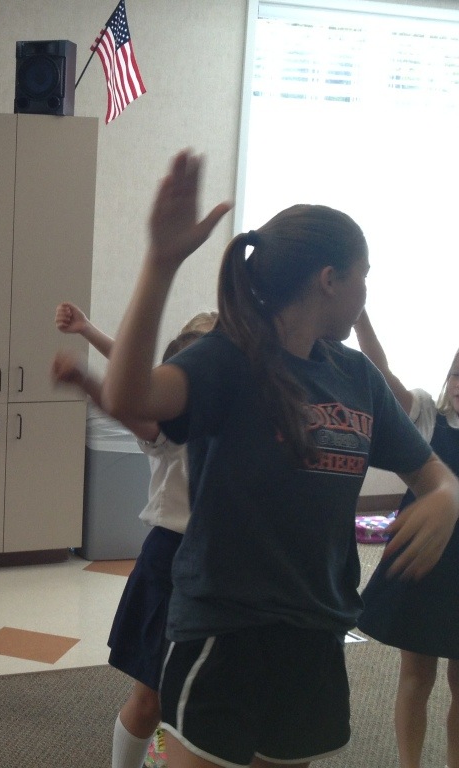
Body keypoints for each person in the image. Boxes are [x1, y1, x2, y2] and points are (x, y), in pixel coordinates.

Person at [99, 150, 459, 768]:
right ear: (329, 279)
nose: (366, 292)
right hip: (224, 629)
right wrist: (160, 263)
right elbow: (128, 396)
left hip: (316, 632)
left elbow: (433, 473)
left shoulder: (356, 377)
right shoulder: (229, 358)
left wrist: (446, 497)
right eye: (364, 275)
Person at [54, 302, 216, 768]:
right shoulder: (169, 428)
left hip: (222, 566)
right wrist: (86, 378)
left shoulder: (237, 424)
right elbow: (131, 395)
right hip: (171, 562)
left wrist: (88, 329)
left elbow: (137, 373)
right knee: (151, 699)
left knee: (205, 695)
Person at [352, 309, 459, 768]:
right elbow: (381, 373)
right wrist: (360, 320)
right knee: (416, 675)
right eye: (456, 373)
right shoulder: (429, 416)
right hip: (425, 561)